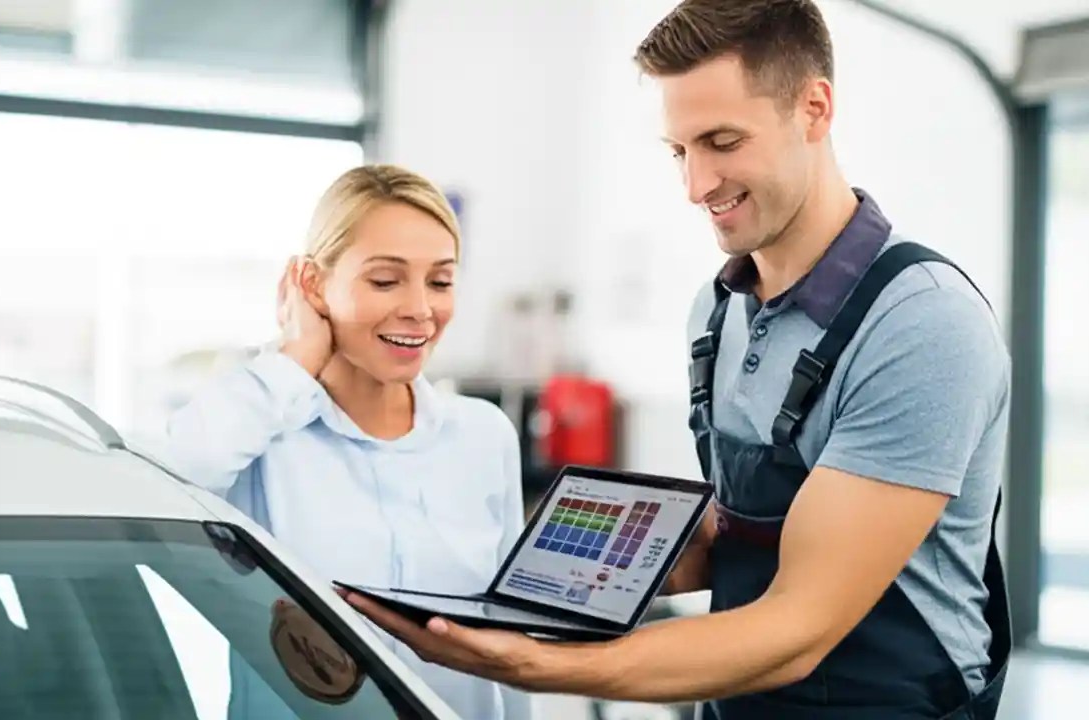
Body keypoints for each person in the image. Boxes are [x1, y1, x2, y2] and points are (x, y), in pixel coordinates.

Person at [341, 2, 1013, 719]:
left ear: (814, 108)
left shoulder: (920, 323)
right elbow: (746, 539)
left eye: (723, 141)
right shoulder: (717, 313)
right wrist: (552, 581)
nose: (696, 186)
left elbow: (799, 631)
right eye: (679, 150)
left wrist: (543, 664)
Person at [160, 164, 534, 720]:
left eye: (440, 280)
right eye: (385, 280)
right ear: (313, 284)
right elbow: (167, 477)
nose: (420, 309)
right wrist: (295, 360)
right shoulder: (259, 434)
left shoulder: (482, 435)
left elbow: (509, 640)